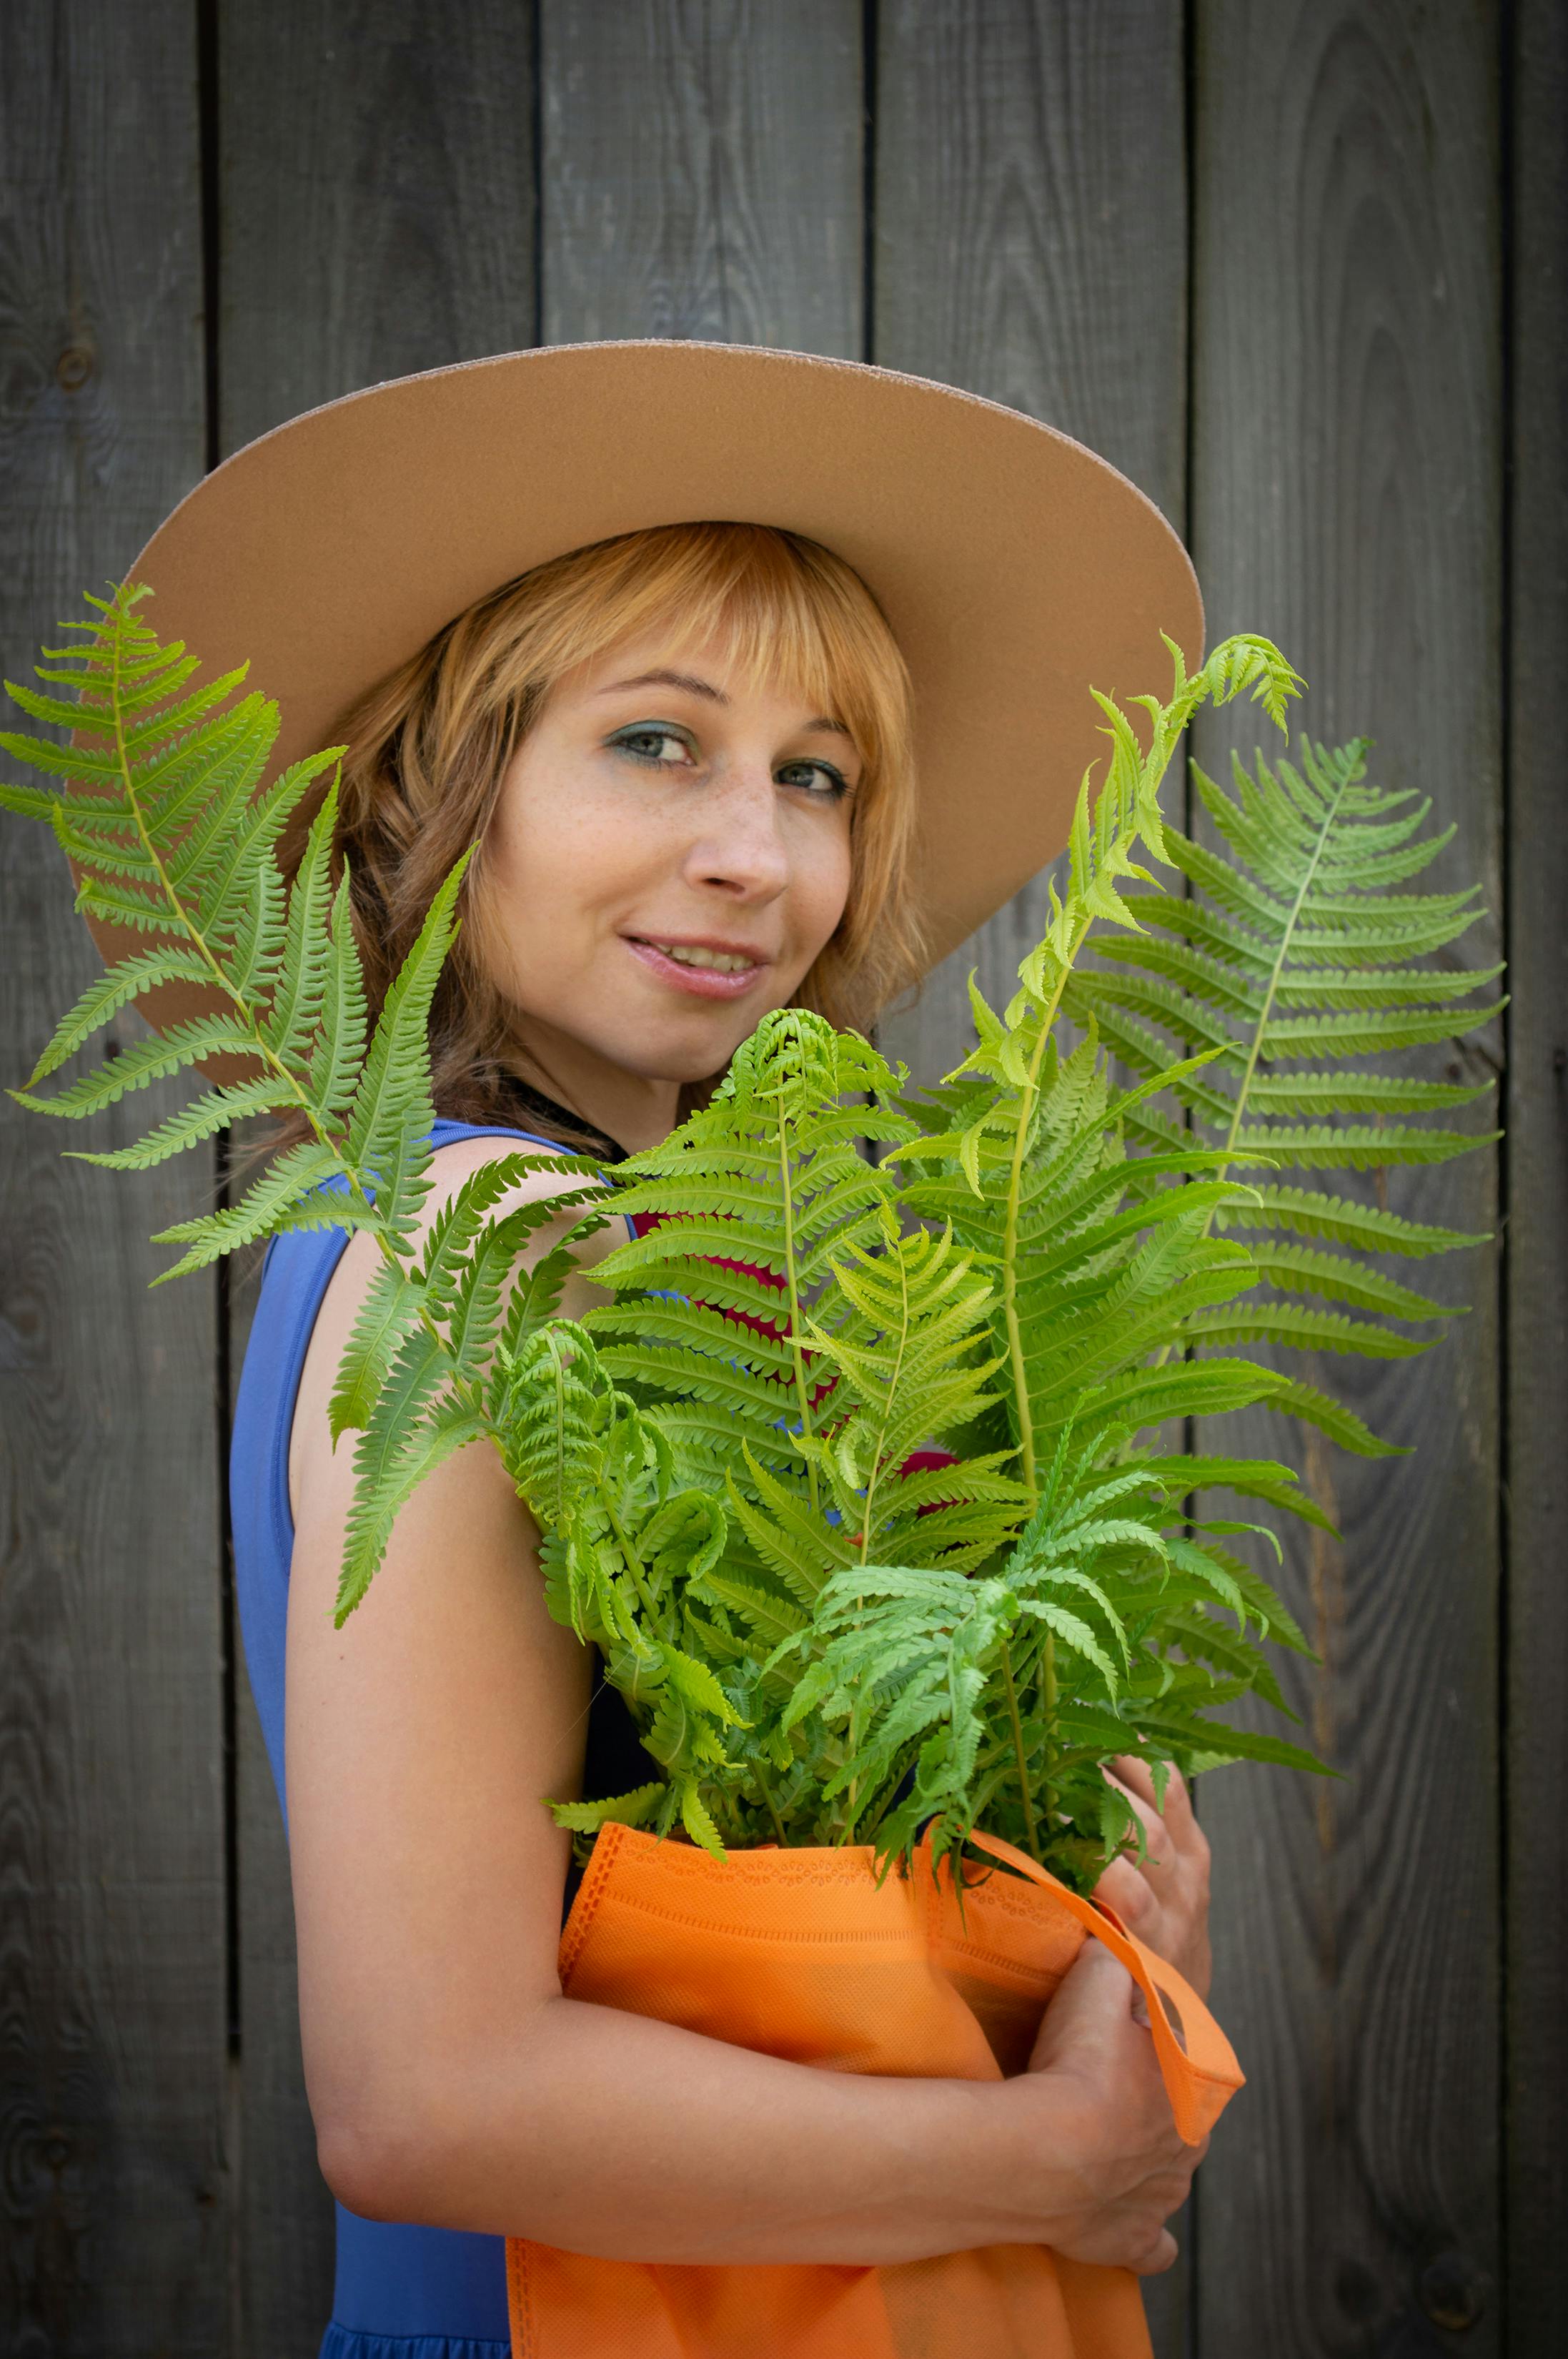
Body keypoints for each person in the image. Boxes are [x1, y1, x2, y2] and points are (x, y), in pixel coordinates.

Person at [126, 342, 1214, 2359]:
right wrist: (1051, 2159)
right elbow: (422, 2093)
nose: (756, 856)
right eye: (654, 743)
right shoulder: (482, 1246)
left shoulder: (693, 1270)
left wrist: (1103, 1926)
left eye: (816, 776)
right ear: (428, 801)